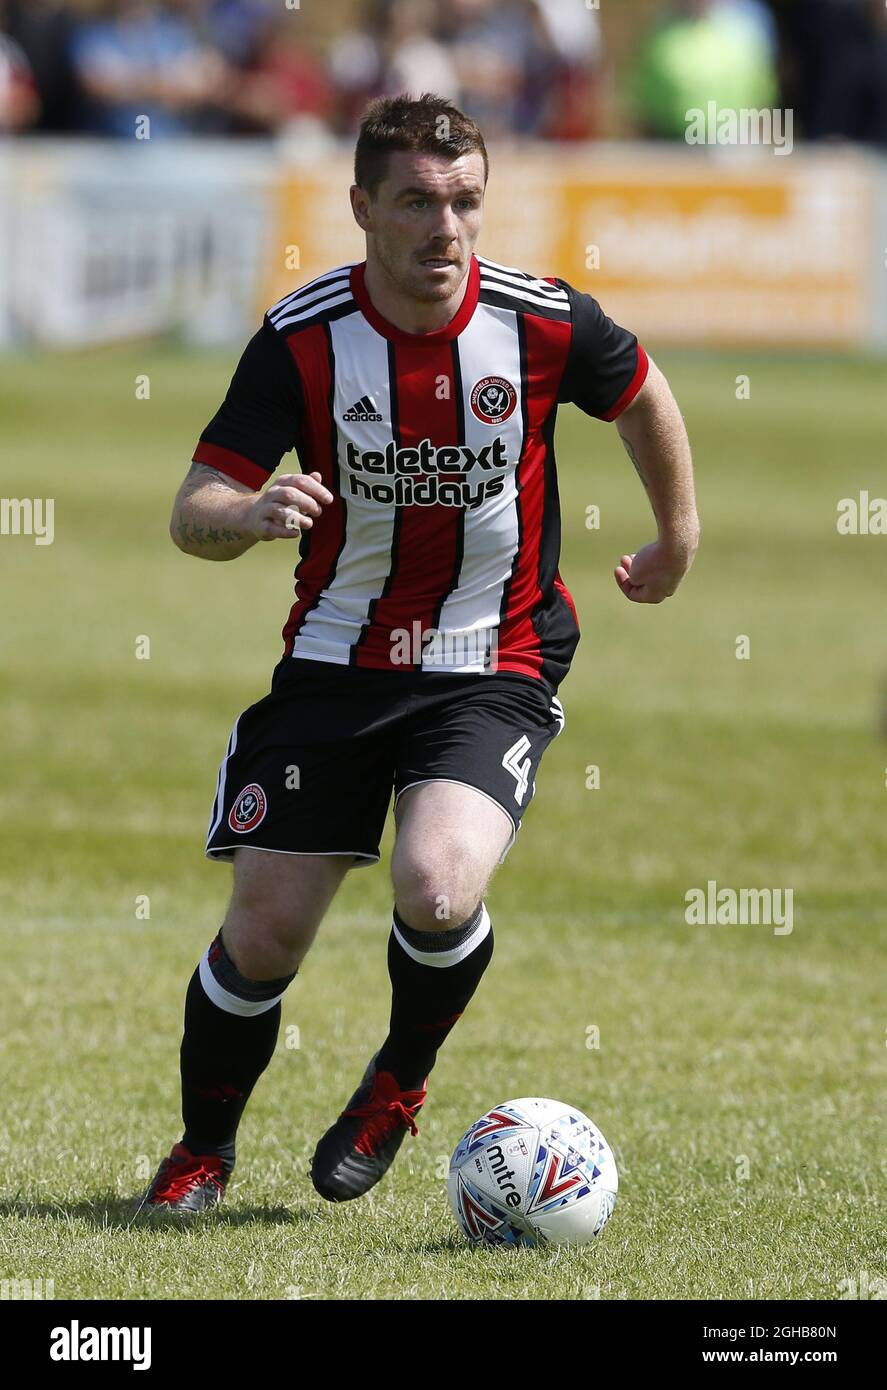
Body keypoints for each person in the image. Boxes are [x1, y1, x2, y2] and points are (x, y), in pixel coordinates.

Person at [135, 92, 699, 1216]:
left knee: (437, 885)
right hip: (337, 667)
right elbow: (192, 507)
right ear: (361, 209)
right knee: (262, 936)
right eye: (415, 202)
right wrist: (243, 516)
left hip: (495, 655)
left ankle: (398, 1078)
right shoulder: (301, 340)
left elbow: (640, 391)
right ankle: (202, 1150)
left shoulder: (540, 322)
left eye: (464, 201)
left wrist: (676, 531)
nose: (445, 228)